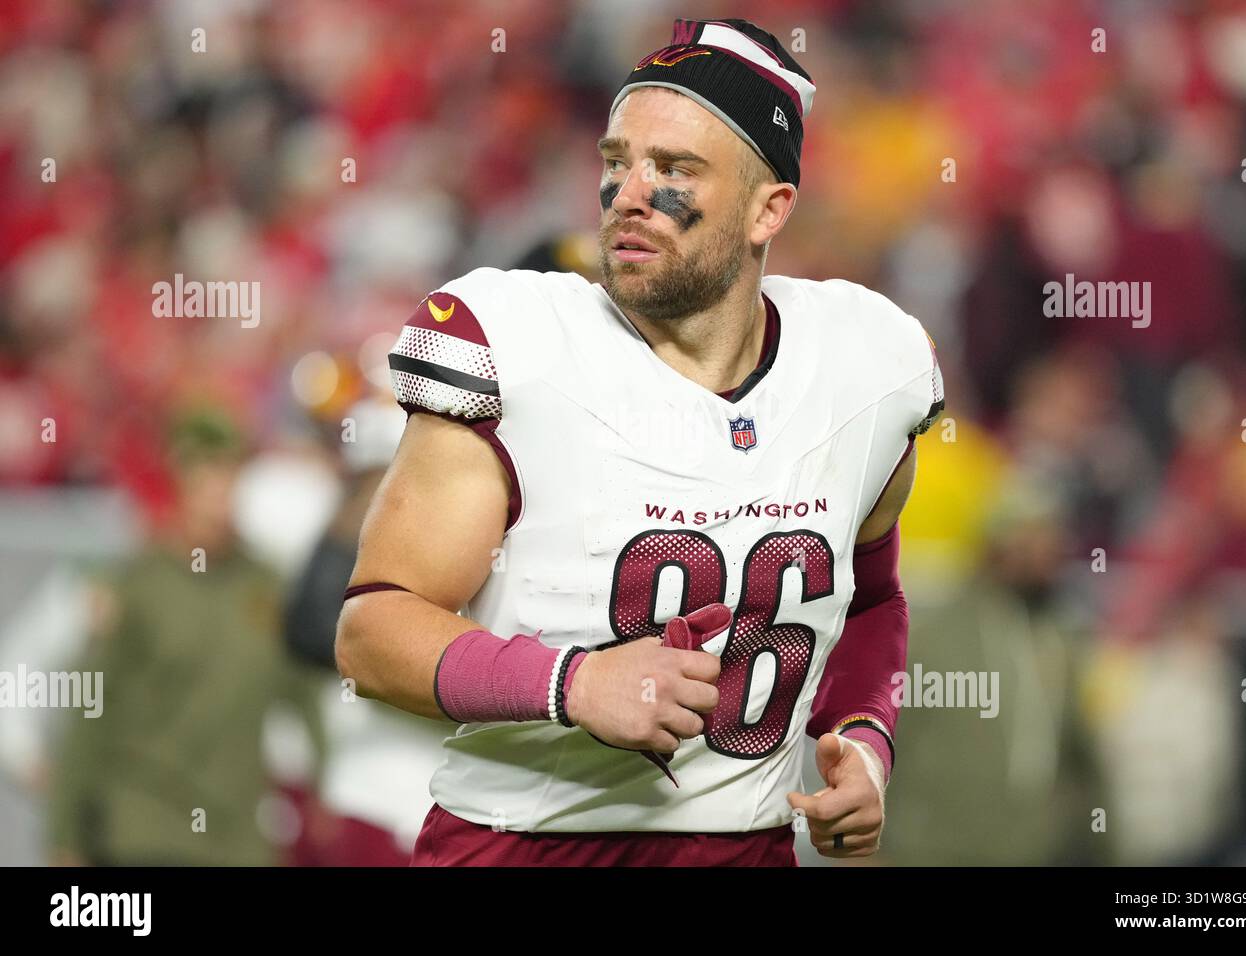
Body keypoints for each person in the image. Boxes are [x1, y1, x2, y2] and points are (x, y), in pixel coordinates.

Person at [336, 18, 944, 866]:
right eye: (617, 162)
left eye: (674, 169)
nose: (627, 192)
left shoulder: (866, 366)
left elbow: (873, 598)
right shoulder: (522, 347)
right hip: (519, 847)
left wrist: (864, 744)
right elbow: (370, 633)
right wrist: (573, 683)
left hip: (747, 850)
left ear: (770, 208)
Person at [47, 409, 323, 866]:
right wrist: (65, 834)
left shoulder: (265, 586)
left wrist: (322, 788)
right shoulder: (139, 586)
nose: (220, 497)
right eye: (206, 480)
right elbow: (92, 709)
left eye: (230, 479)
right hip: (145, 824)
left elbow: (305, 691)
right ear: (179, 486)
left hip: (238, 835)